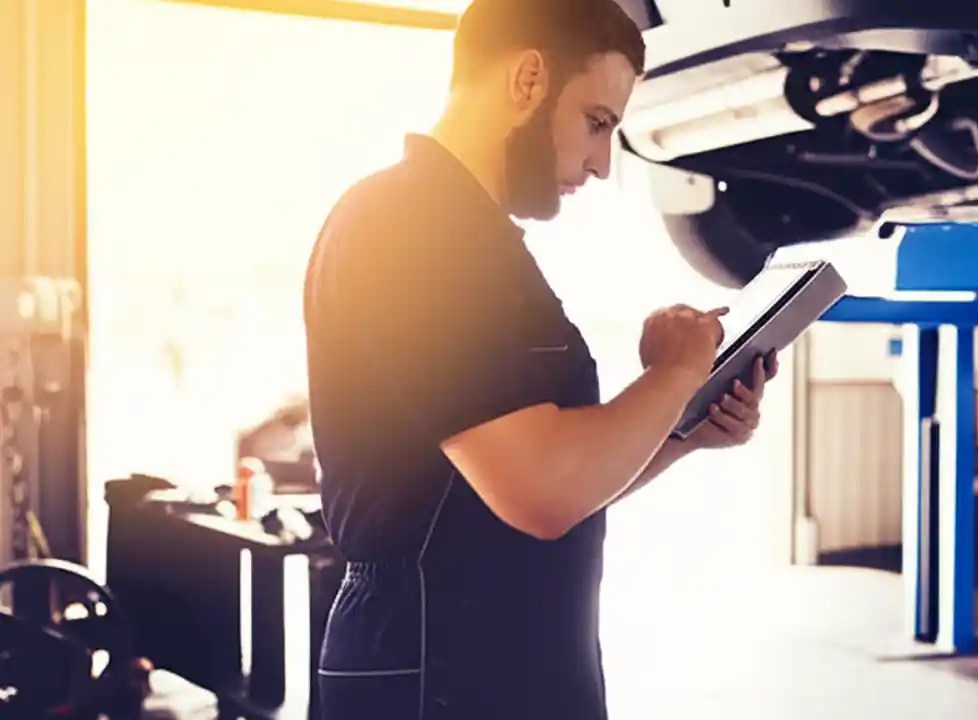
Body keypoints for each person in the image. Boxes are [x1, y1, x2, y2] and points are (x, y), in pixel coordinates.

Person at [303, 1, 779, 717]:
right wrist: (675, 373)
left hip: (497, 667)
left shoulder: (470, 238)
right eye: (596, 123)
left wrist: (685, 431)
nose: (599, 162)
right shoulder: (413, 227)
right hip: (441, 674)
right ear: (528, 79)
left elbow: (551, 470)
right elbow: (539, 491)